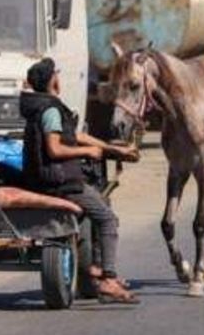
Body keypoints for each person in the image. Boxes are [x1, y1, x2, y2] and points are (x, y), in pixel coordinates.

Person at [20, 58, 140, 304]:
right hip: (60, 181)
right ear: (52, 80)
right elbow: (54, 149)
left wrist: (112, 150)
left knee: (92, 212)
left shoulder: (44, 106)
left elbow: (77, 135)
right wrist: (85, 153)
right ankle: (108, 278)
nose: (59, 78)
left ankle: (94, 267)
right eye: (57, 74)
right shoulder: (50, 110)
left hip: (51, 177)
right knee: (107, 218)